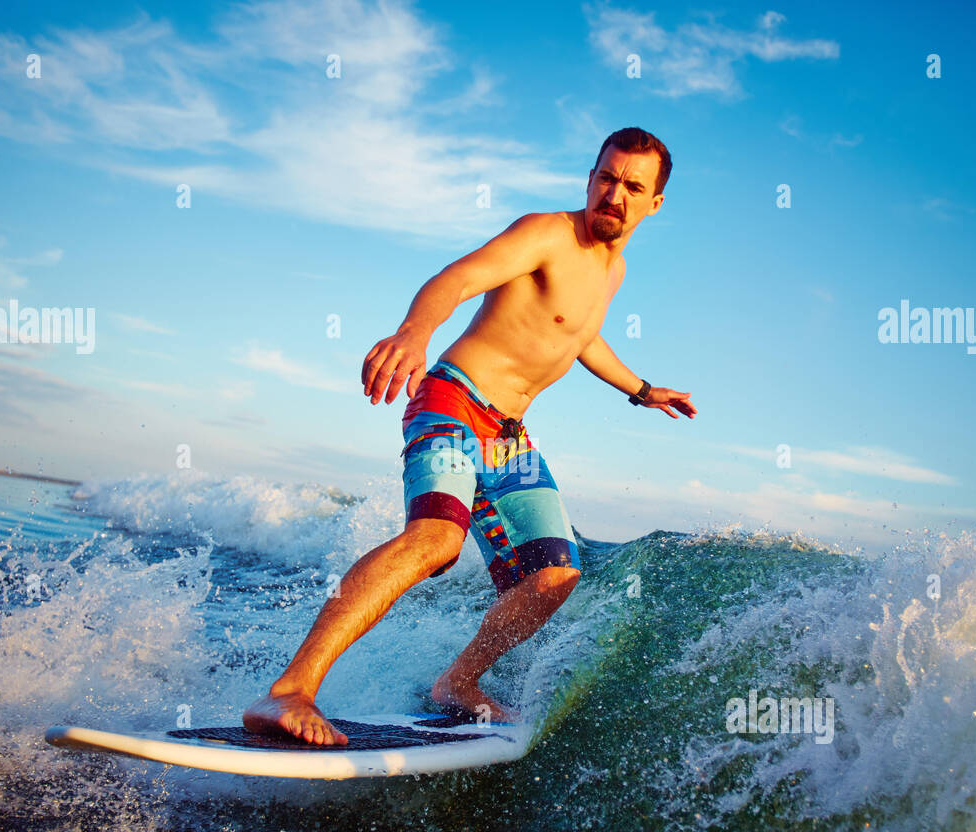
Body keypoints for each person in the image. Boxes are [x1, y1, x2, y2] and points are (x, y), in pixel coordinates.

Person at [243, 127, 696, 745]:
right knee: (434, 542)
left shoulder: (612, 272)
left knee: (554, 574)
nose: (614, 194)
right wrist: (413, 332)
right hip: (453, 400)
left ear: (654, 204)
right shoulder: (546, 233)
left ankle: (457, 682)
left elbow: (579, 335)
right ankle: (290, 690)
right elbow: (458, 278)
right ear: (590, 178)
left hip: (509, 436)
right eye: (606, 177)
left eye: (632, 186)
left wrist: (642, 389)